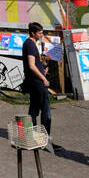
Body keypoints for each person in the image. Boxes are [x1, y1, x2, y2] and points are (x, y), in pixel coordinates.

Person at [22, 21, 55, 151]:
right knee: (45, 111)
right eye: (40, 32)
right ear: (33, 33)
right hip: (37, 82)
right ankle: (44, 139)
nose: (42, 34)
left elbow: (35, 63)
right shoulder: (30, 44)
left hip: (35, 80)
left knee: (34, 109)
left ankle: (32, 136)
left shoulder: (31, 44)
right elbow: (31, 65)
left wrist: (43, 67)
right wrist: (43, 78)